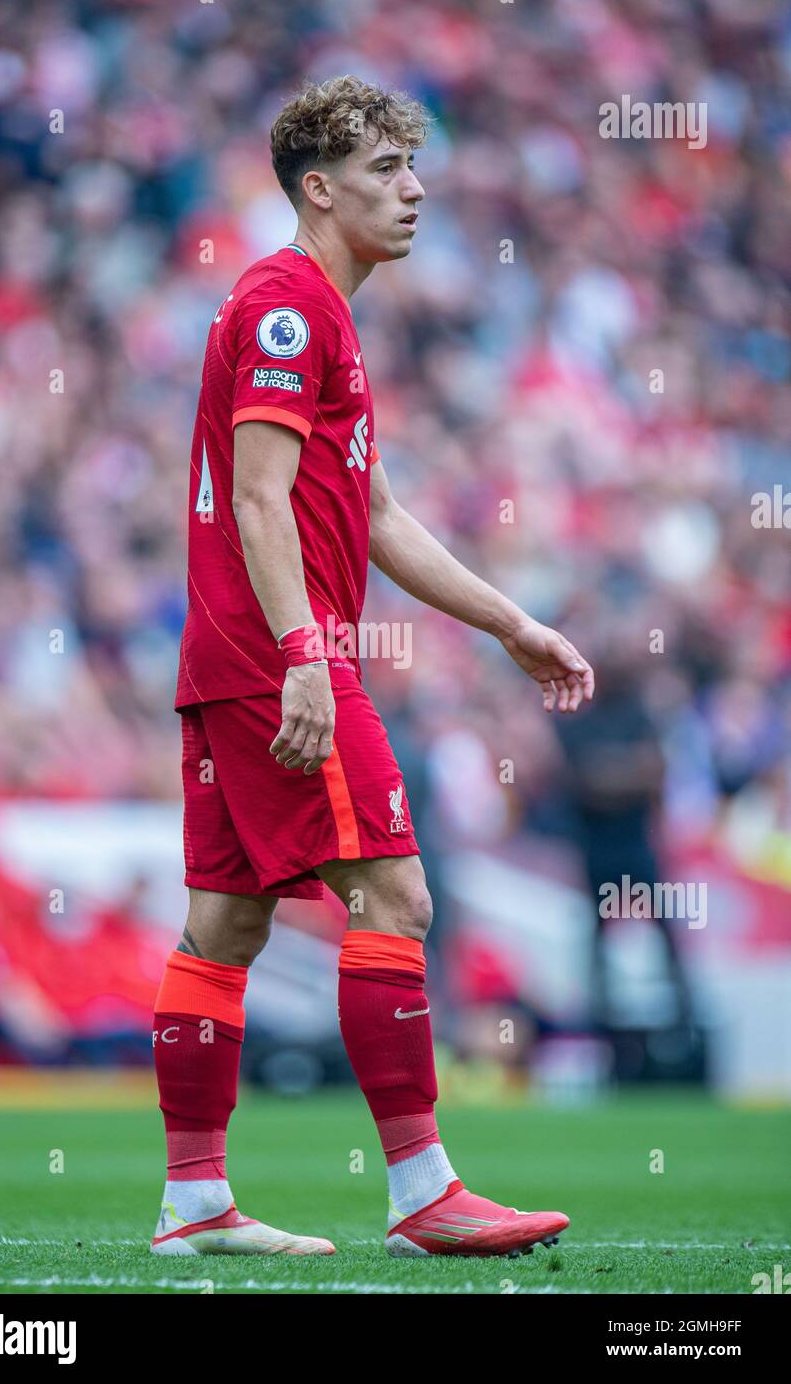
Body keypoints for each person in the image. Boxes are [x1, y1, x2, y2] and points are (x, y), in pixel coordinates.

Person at [151, 75, 594, 1259]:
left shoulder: (313, 312)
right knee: (393, 900)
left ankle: (192, 1204)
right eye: (386, 170)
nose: (413, 190)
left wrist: (508, 622)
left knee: (223, 924)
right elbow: (257, 498)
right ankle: (421, 1192)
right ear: (318, 188)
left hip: (232, 657)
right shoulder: (288, 309)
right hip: (277, 656)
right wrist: (306, 654)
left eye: (413, 166)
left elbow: (379, 515)